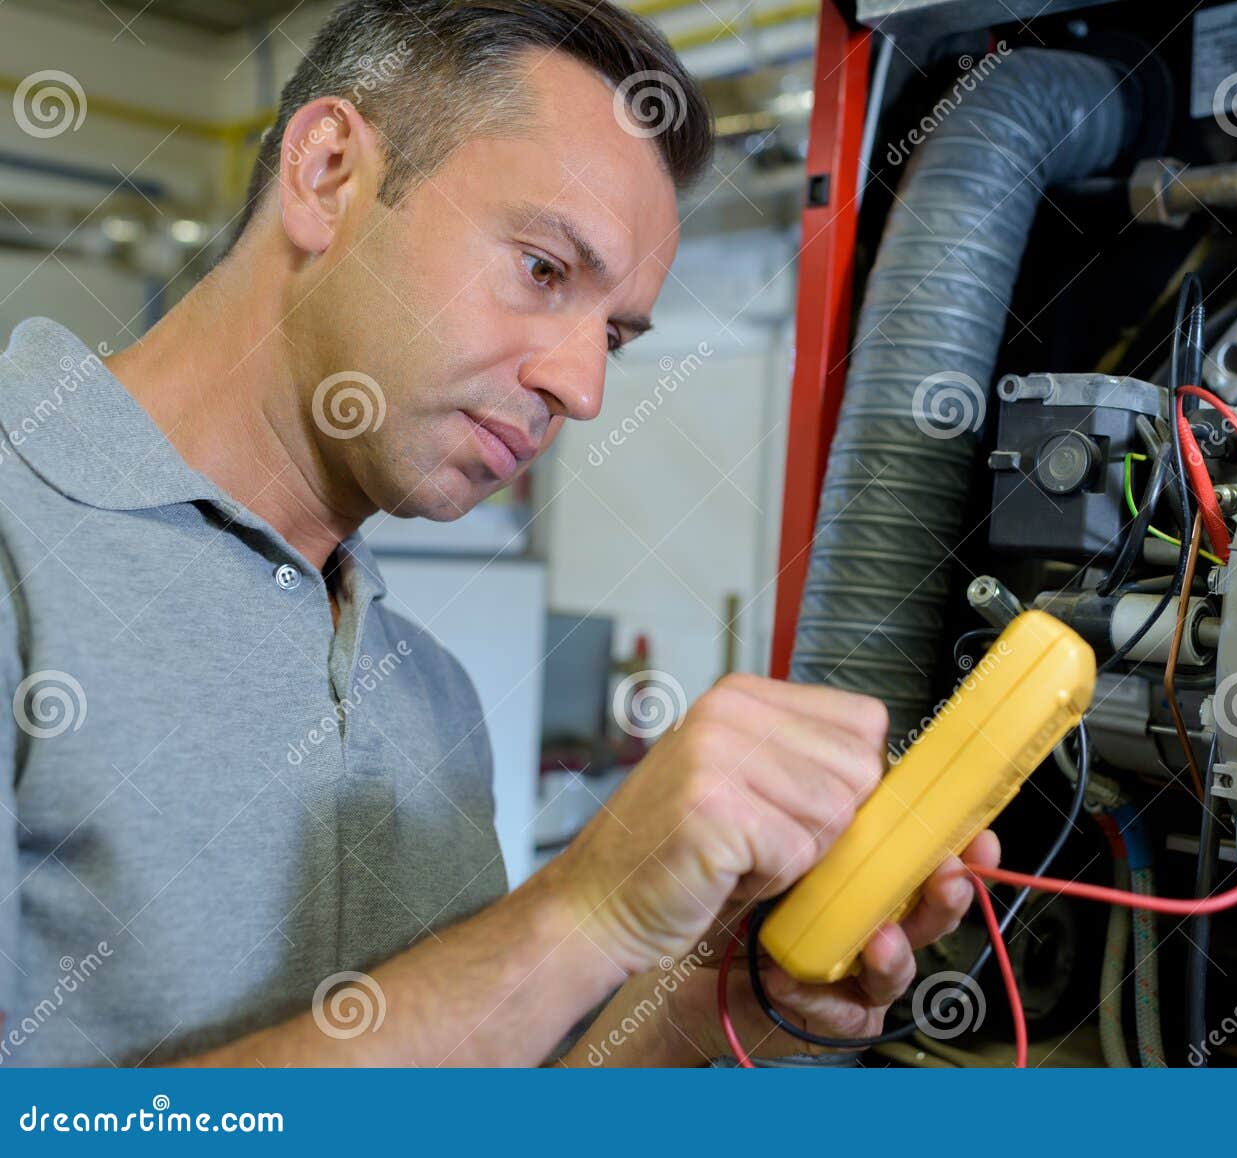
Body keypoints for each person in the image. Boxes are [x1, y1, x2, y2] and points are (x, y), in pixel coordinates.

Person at [0, 0, 997, 1066]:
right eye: (542, 269)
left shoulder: (432, 700)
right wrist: (579, 915)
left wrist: (696, 1009)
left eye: (613, 333)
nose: (582, 387)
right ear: (328, 172)